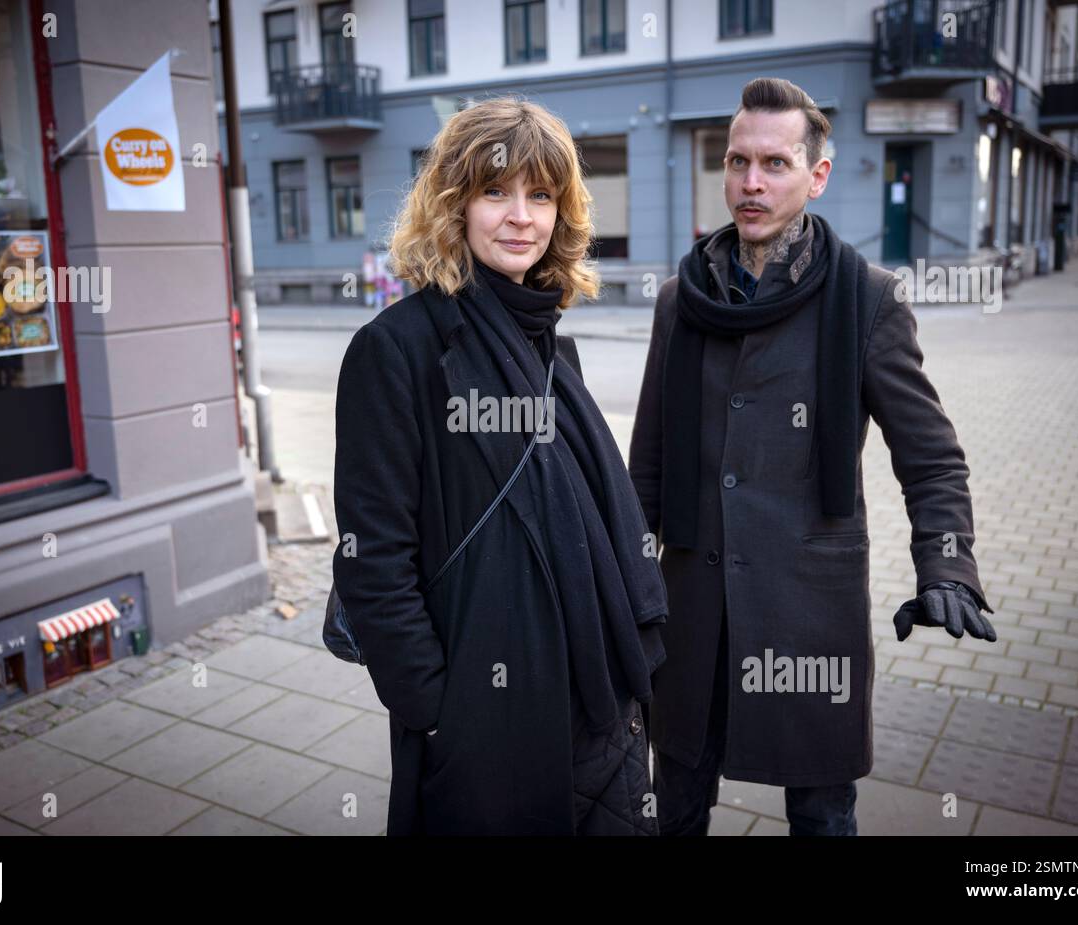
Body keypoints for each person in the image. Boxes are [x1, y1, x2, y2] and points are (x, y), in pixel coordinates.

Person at [628, 77, 997, 836]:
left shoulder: (867, 300)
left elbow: (930, 457)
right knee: (673, 808)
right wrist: (623, 591)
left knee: (824, 818)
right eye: (736, 162)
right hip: (694, 613)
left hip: (807, 616)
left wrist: (948, 562)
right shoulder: (680, 299)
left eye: (774, 163)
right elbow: (649, 468)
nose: (751, 183)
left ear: (817, 175)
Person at [331, 96, 667, 835]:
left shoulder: (554, 342)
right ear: (454, 202)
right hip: (489, 723)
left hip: (601, 704)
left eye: (540, 194)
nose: (521, 216)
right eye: (495, 191)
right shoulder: (396, 351)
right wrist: (439, 710)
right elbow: (372, 562)